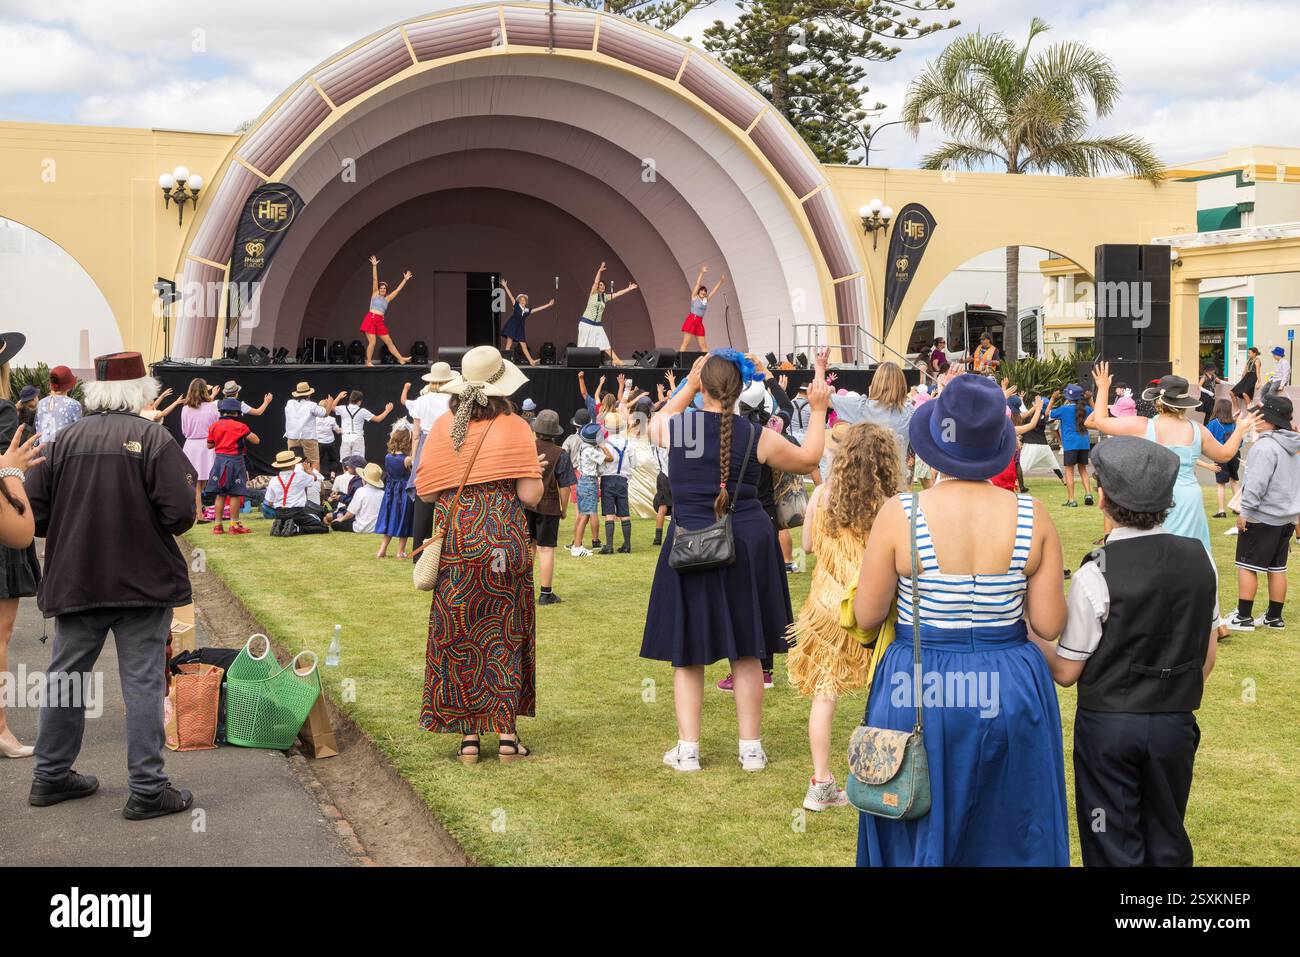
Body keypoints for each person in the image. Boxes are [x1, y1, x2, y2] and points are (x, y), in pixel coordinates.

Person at [853, 373, 1070, 866]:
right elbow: (1049, 622)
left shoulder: (900, 513)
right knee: (1011, 828)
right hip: (1011, 683)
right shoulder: (1032, 515)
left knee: (912, 816)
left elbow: (866, 615)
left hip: (918, 682)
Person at [24, 352, 197, 818]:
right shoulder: (153, 438)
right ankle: (146, 788)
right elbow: (181, 515)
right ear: (141, 390)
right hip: (144, 581)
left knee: (65, 678)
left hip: (77, 579)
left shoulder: (63, 441)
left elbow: (35, 516)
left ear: (95, 392)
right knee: (141, 683)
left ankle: (50, 774)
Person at [641, 352, 829, 773]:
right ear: (740, 390)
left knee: (686, 651)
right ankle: (750, 749)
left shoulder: (680, 427)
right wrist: (818, 410)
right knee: (748, 646)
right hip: (748, 542)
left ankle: (688, 750)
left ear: (703, 388)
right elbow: (810, 458)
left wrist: (686, 386)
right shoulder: (755, 433)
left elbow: (653, 425)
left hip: (689, 543)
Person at [1044, 437, 1219, 866]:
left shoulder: (1095, 571)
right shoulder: (1201, 558)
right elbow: (1207, 655)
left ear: (1102, 497)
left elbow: (1067, 671)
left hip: (1109, 727)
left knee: (1110, 842)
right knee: (1166, 833)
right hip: (1174, 723)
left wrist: (1030, 635)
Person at [414, 345, 543, 762]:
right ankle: (507, 737)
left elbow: (429, 493)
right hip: (504, 535)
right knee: (505, 632)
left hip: (459, 537)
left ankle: (469, 740)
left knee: (461, 634)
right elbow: (530, 495)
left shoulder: (442, 427)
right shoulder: (517, 426)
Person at [786, 422, 901, 811]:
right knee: (883, 689)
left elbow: (806, 544)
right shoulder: (889, 505)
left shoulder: (822, 495)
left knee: (824, 694)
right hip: (872, 604)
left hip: (824, 609)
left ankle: (821, 782)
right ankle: (886, 774)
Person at [1088, 364, 1258, 553]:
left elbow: (1100, 422)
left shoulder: (1144, 425)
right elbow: (1225, 454)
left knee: (1156, 554)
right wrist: (1240, 429)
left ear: (1159, 401)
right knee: (1191, 554)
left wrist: (1103, 388)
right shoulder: (1197, 430)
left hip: (1154, 495)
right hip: (1188, 497)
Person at [0, 331, 42, 759]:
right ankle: (0, 728)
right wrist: (12, 472)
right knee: (0, 637)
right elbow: (19, 523)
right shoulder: (2, 413)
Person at [1225, 392, 1299, 631]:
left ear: (1269, 419)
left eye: (1259, 414)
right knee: (1277, 568)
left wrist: (1245, 511)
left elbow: (1256, 484)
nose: (1254, 418)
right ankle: (1274, 617)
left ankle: (1243, 616)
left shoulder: (1265, 446)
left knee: (1246, 565)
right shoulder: (1294, 445)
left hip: (1263, 515)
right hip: (1287, 516)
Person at [406, 363, 458, 558]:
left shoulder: (421, 400)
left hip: (426, 445)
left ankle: (419, 553)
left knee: (422, 498)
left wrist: (414, 457)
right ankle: (449, 551)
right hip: (447, 444)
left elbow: (416, 433)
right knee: (449, 497)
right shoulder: (453, 400)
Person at [826, 359, 912, 472]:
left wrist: (830, 389)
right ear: (902, 386)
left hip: (865, 478)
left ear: (876, 383)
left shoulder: (861, 407)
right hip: (897, 478)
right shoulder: (910, 414)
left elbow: (823, 398)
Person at [527, 410, 577, 605]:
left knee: (527, 548)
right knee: (546, 549)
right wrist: (563, 509)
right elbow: (565, 487)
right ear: (555, 432)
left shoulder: (527, 448)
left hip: (526, 503)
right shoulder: (560, 454)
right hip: (548, 507)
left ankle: (522, 589)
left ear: (536, 429)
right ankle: (546, 594)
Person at [205, 398, 259, 536]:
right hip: (235, 461)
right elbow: (256, 440)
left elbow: (210, 445)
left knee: (220, 494)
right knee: (234, 493)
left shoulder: (214, 426)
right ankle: (234, 525)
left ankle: (217, 526)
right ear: (236, 413)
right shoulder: (240, 426)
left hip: (219, 461)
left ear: (222, 411)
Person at [576, 261, 638, 365]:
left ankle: (616, 360)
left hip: (597, 325)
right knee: (583, 345)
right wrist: (599, 271)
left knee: (605, 343)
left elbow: (617, 294)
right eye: (600, 285)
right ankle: (578, 362)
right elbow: (596, 282)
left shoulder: (605, 297)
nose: (601, 286)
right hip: (586, 323)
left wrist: (629, 288)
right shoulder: (593, 294)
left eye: (603, 285)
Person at [179, 377, 220, 522]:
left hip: (191, 445)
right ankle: (199, 515)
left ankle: (197, 511)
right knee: (199, 484)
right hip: (207, 445)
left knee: (198, 484)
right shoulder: (212, 407)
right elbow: (216, 425)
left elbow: (184, 430)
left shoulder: (185, 409)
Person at [361, 255, 413, 365]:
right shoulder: (375, 294)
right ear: (378, 289)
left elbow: (398, 290)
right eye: (381, 288)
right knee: (373, 342)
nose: (383, 289)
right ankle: (368, 362)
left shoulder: (388, 299)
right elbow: (375, 279)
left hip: (379, 321)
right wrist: (374, 265)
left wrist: (405, 279)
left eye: (384, 288)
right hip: (371, 318)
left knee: (389, 341)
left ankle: (400, 359)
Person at [597, 410, 636, 554]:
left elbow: (601, 466)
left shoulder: (604, 444)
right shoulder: (628, 443)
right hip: (622, 479)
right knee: (624, 512)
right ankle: (627, 545)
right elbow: (634, 464)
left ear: (606, 428)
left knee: (609, 512)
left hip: (607, 479)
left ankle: (609, 546)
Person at [264, 449, 329, 534]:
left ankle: (281, 524)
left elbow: (270, 502)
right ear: (293, 464)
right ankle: (296, 529)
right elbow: (315, 479)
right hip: (296, 512)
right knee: (323, 527)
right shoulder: (300, 476)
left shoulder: (273, 480)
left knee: (288, 517)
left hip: (279, 513)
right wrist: (309, 472)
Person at [374, 427, 415, 559]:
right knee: (404, 518)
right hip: (403, 492)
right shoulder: (407, 459)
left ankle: (382, 549)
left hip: (390, 491)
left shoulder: (388, 457)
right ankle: (400, 551)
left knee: (391, 518)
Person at [1050, 384, 1093, 506]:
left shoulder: (1064, 409)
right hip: (1084, 443)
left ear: (1068, 398)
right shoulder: (1086, 409)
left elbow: (1048, 414)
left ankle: (1071, 500)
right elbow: (1097, 413)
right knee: (1083, 469)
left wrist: (1053, 399)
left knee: (1069, 471)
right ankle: (1088, 493)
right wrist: (1090, 400)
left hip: (1070, 444)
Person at [283, 381, 339, 474]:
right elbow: (325, 413)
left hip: (292, 437)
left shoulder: (289, 403)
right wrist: (330, 403)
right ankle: (314, 485)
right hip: (308, 437)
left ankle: (294, 483)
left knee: (293, 462)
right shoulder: (311, 405)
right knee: (314, 461)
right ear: (308, 395)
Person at [572, 422, 610, 556]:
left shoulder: (583, 447)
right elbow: (609, 458)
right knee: (585, 515)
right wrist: (603, 446)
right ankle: (577, 546)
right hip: (589, 482)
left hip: (583, 481)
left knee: (583, 514)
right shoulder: (591, 450)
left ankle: (577, 544)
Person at [499, 279, 555, 366]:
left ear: (526, 302)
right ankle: (505, 362)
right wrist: (505, 286)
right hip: (512, 326)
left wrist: (548, 304)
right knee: (509, 344)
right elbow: (510, 296)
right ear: (519, 301)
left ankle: (531, 361)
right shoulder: (516, 305)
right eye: (521, 300)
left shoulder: (527, 310)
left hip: (520, 329)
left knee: (524, 346)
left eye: (524, 300)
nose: (522, 301)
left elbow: (538, 309)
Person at [1203, 398, 1241, 518]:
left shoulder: (1213, 423)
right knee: (1234, 480)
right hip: (1235, 454)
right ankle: (1238, 508)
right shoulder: (1234, 424)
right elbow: (1240, 442)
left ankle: (1221, 510)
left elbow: (1206, 440)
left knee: (1221, 483)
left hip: (1219, 455)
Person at [678, 265, 727, 353]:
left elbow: (713, 291)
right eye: (702, 290)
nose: (703, 292)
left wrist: (721, 281)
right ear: (698, 291)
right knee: (685, 343)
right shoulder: (694, 297)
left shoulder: (705, 300)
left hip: (699, 322)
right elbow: (697, 284)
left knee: (703, 345)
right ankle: (676, 364)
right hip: (692, 320)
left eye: (705, 291)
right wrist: (701, 273)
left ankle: (706, 363)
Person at [325, 462, 385, 532]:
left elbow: (350, 513)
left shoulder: (361, 491)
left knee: (335, 523)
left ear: (364, 479)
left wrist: (341, 518)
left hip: (359, 527)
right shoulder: (382, 493)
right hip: (376, 527)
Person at [34, 364, 82, 445]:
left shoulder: (41, 403)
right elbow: (78, 432)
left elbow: (38, 429)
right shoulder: (74, 404)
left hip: (42, 451)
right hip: (63, 450)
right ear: (69, 386)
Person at [1230, 346, 1262, 413]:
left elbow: (1258, 372)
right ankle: (1237, 409)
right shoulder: (1249, 360)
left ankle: (1250, 411)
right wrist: (1241, 380)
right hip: (1246, 378)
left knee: (1245, 394)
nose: (1248, 354)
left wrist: (1259, 382)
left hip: (1252, 378)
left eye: (1249, 353)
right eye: (1248, 353)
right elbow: (1245, 370)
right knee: (1231, 393)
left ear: (1254, 353)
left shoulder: (1257, 361)